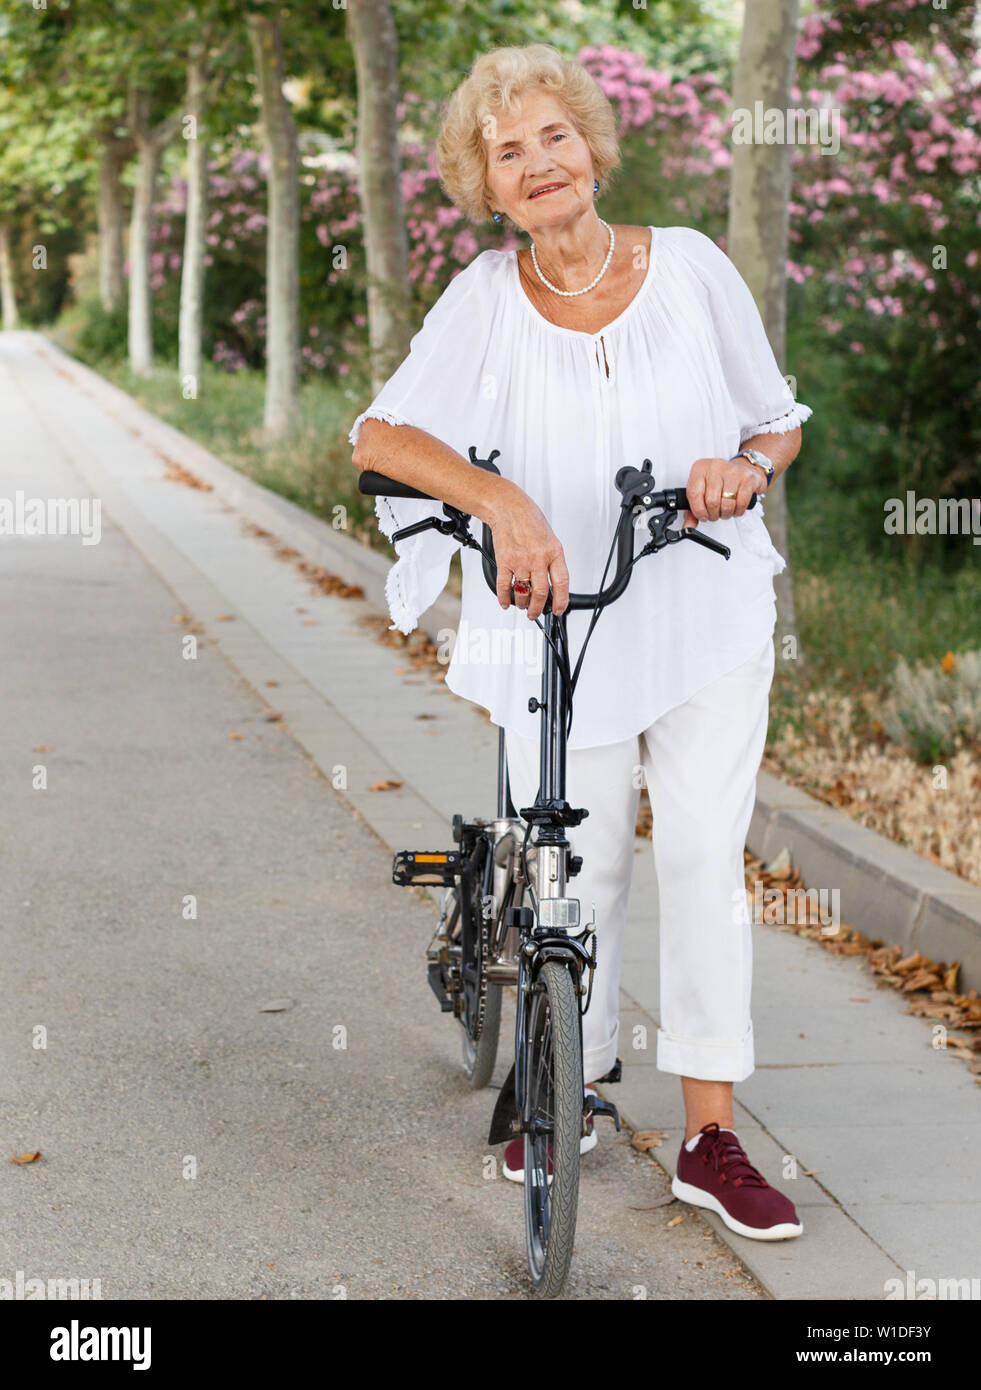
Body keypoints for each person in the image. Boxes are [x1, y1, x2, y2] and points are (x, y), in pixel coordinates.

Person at [350, 44, 812, 1240]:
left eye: (555, 136)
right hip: (555, 621)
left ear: (594, 147)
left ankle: (711, 1135)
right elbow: (382, 437)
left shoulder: (695, 270)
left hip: (701, 606)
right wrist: (500, 503)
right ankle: (574, 1080)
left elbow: (775, 423)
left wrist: (742, 468)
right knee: (581, 867)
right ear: (489, 189)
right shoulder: (482, 301)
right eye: (510, 152)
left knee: (707, 860)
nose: (539, 162)